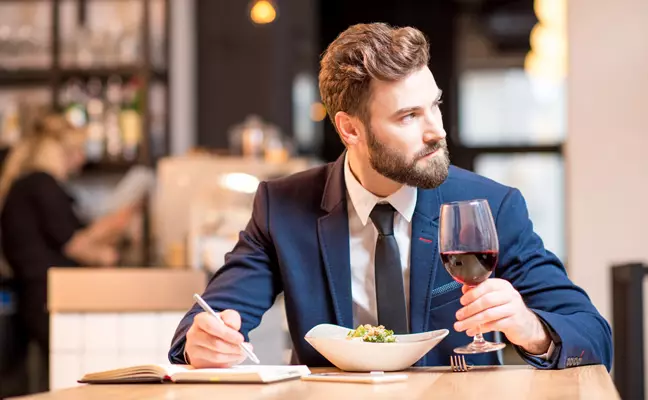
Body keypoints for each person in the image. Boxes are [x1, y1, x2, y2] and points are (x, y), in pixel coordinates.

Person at [168, 23, 612, 370]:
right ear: (350, 129)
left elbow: (592, 336)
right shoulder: (281, 207)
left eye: (434, 105)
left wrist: (531, 329)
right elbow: (208, 321)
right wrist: (203, 342)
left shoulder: (491, 205)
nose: (436, 129)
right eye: (408, 116)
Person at [0, 113, 139, 393]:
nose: (82, 159)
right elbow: (75, 243)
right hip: (46, 298)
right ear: (63, 151)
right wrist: (113, 233)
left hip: (37, 296)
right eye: (78, 151)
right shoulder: (42, 185)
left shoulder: (31, 185)